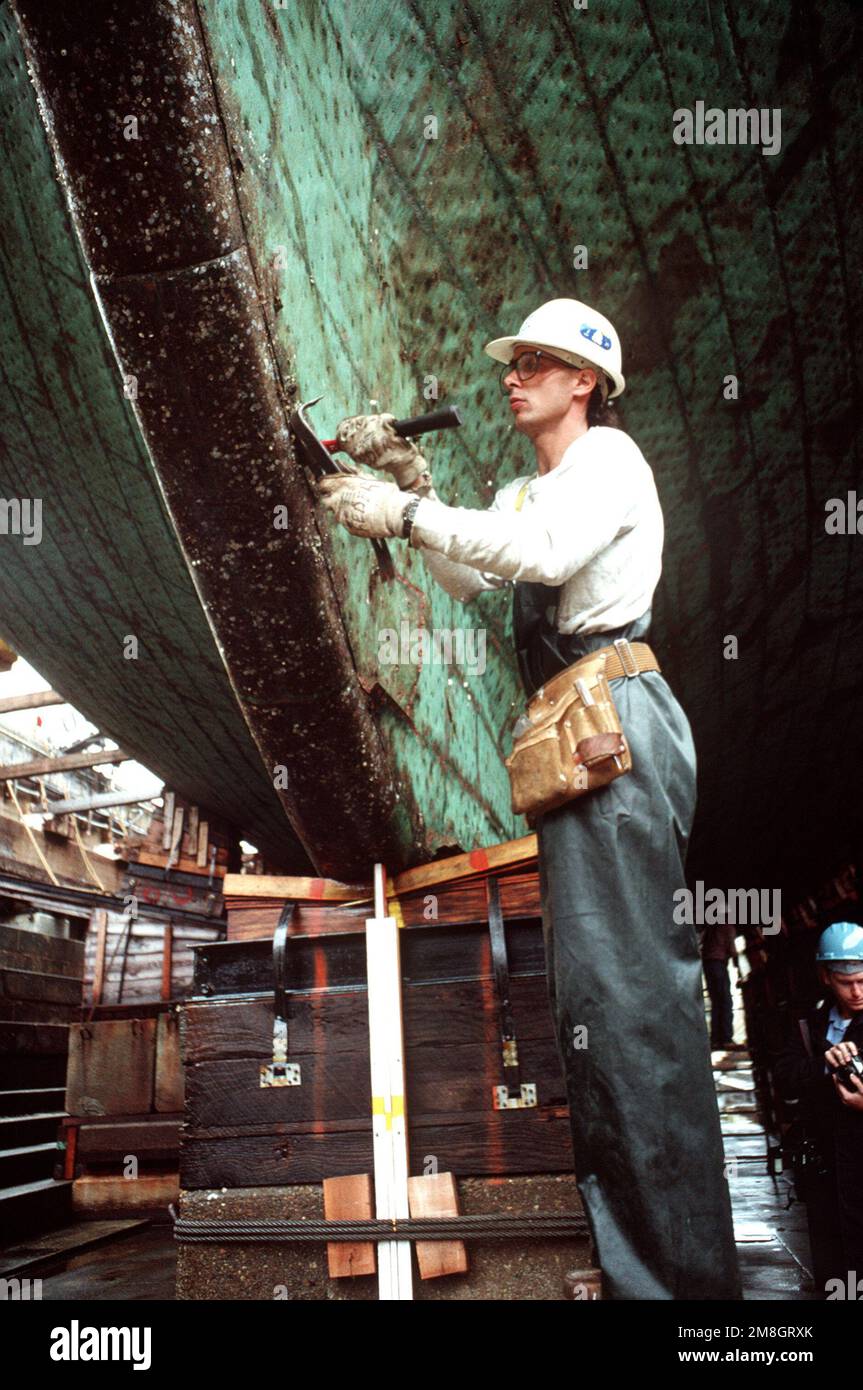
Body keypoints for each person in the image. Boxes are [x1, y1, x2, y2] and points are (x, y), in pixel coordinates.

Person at [317, 297, 741, 1300]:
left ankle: (680, 1292)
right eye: (511, 366)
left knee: (630, 1008)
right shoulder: (529, 486)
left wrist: (406, 512)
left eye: (533, 365)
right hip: (573, 739)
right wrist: (410, 481)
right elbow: (476, 573)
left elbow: (543, 557)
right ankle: (644, 1268)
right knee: (597, 1000)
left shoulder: (607, 462)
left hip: (611, 728)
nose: (511, 378)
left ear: (582, 381)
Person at [773, 921, 863, 1297]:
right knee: (832, 1267)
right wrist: (826, 1065)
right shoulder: (808, 1023)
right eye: (846, 983)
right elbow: (786, 1075)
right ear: (825, 976)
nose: (857, 991)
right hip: (826, 1169)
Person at [701, 921, 740, 1050]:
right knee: (725, 1001)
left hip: (708, 964)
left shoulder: (712, 926)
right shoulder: (728, 926)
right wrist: (738, 967)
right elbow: (732, 949)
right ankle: (726, 1038)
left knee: (716, 1002)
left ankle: (716, 1039)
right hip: (718, 963)